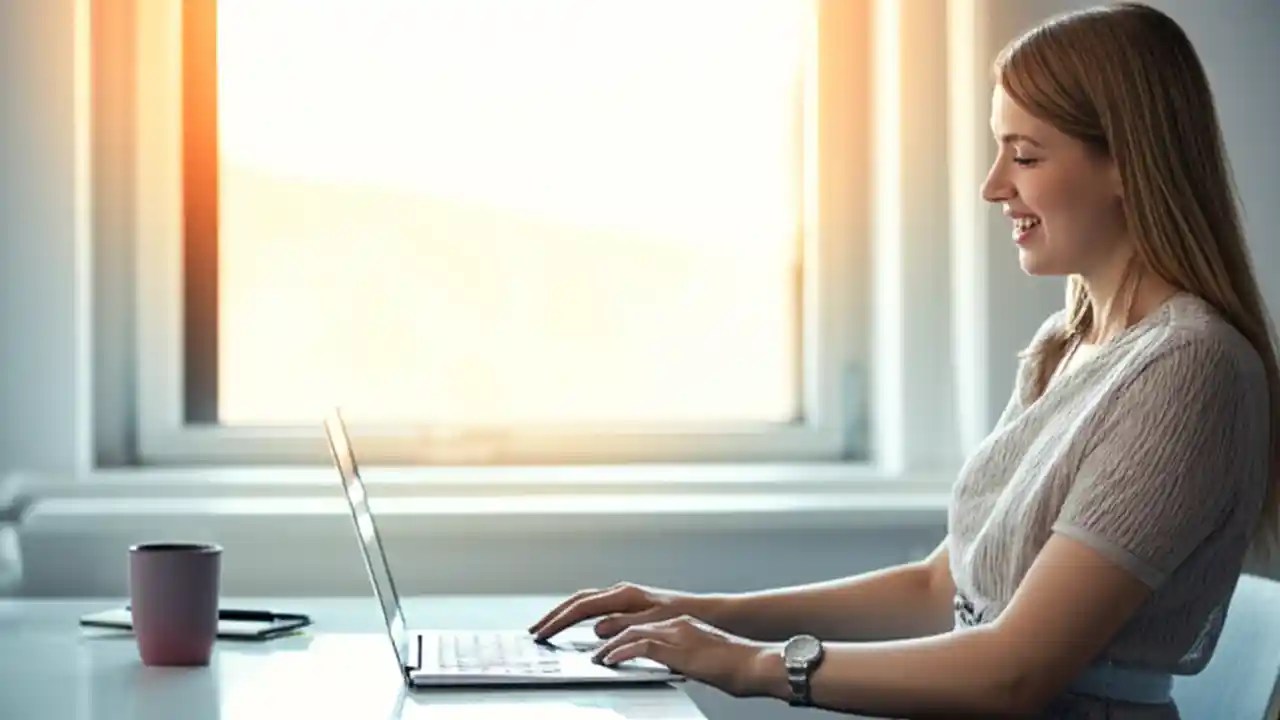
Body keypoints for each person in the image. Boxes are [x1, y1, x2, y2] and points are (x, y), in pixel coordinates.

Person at [526, 4, 1280, 718]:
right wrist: (696, 613)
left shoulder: (1191, 370)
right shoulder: (1070, 345)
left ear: (1126, 164)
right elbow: (938, 588)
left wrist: (752, 664)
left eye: (1025, 154)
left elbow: (1015, 673)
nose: (993, 185)